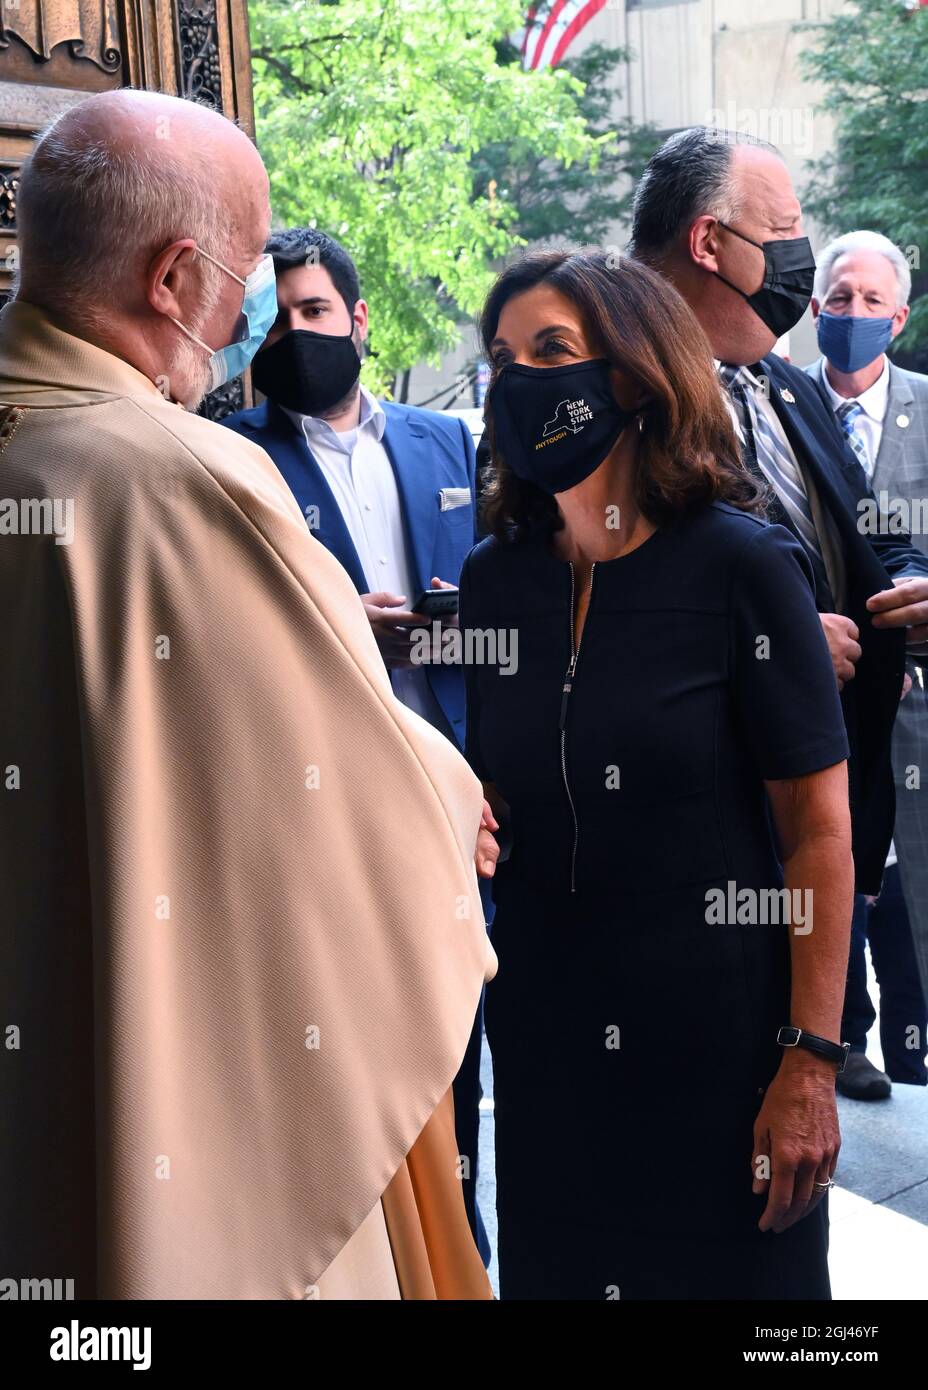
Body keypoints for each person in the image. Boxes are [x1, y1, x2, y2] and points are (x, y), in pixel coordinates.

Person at [0, 89, 496, 1300]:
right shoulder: (185, 481)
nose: (251, 318)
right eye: (245, 280)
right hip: (179, 1063)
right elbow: (332, 776)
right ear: (173, 279)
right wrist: (449, 796)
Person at [462, 248, 854, 1300]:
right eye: (502, 358)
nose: (519, 380)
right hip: (546, 1043)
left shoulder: (744, 567)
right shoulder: (494, 579)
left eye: (553, 351)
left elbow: (818, 831)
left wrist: (810, 1059)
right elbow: (499, 785)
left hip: (722, 1050)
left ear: (636, 376)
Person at [220, 226, 491, 1257]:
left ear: (360, 319)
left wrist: (458, 619)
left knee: (467, 1055)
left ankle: (466, 1254)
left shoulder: (445, 441)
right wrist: (346, 628)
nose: (296, 334)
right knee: (368, 1069)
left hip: (465, 793)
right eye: (277, 320)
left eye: (316, 312)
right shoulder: (234, 455)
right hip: (333, 805)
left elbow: (505, 586)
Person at [628, 128, 928, 905]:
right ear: (708, 243)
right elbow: (571, 624)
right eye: (786, 232)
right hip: (690, 858)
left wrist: (909, 591)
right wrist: (768, 646)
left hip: (828, 830)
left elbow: (870, 537)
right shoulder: (603, 400)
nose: (803, 259)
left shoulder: (785, 385)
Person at [807, 229, 928, 1096]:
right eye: (839, 298)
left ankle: (916, 1049)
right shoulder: (778, 409)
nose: (853, 313)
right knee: (829, 854)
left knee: (910, 876)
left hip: (917, 703)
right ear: (814, 308)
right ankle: (840, 1035)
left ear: (900, 316)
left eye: (871, 301)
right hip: (819, 690)